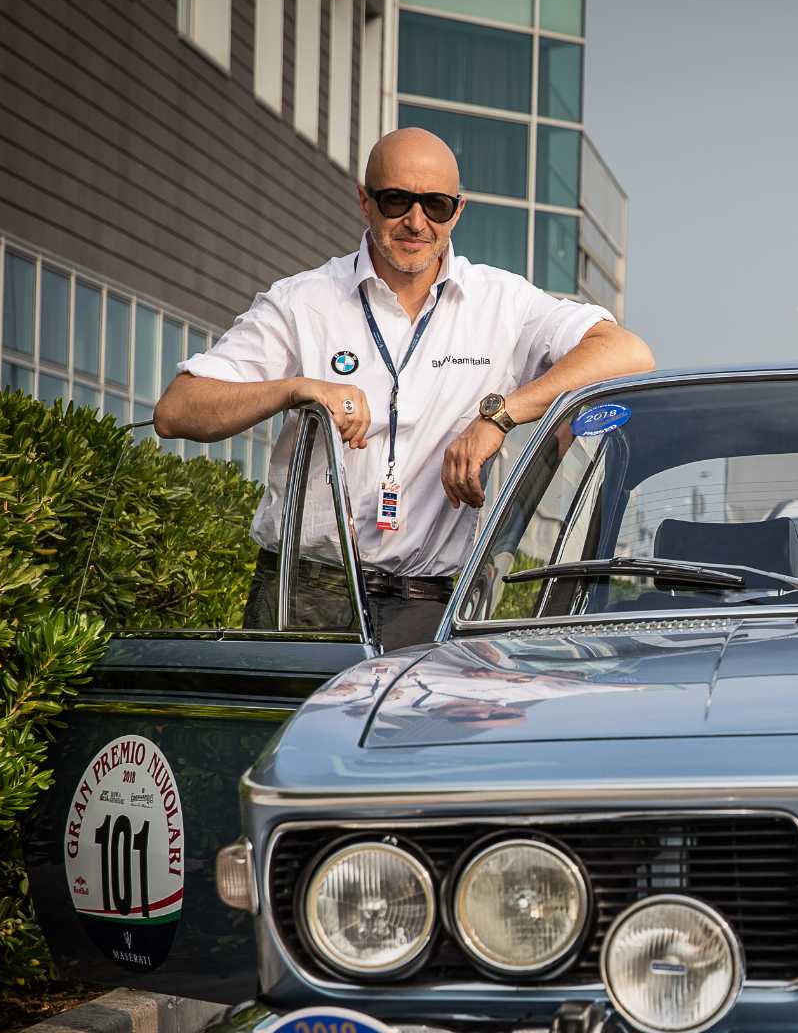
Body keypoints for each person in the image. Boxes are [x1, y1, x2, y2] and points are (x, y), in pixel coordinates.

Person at [154, 126, 654, 648]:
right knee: (286, 733)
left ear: (457, 210)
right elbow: (178, 410)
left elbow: (627, 354)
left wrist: (500, 415)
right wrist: (296, 389)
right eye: (397, 201)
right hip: (303, 597)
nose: (416, 222)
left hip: (429, 605)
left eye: (435, 205)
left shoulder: (502, 304)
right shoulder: (304, 302)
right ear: (365, 202)